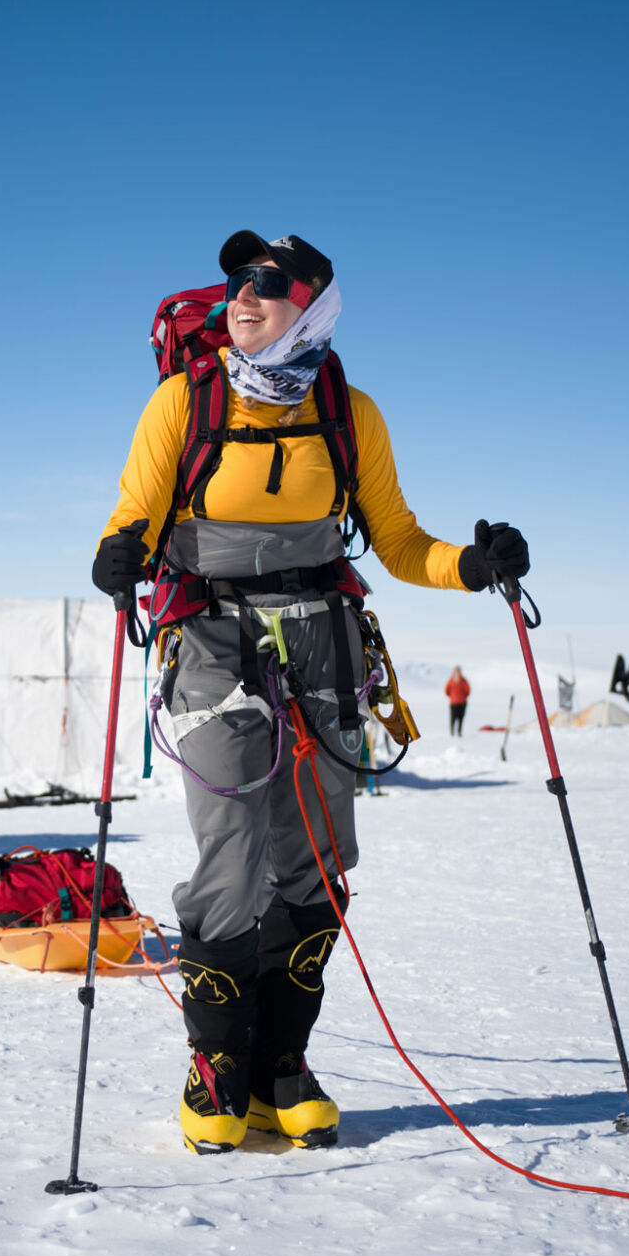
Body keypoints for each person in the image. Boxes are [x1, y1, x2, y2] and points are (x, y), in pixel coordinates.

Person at [92, 230, 531, 1155]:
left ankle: (281, 1067)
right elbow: (130, 515)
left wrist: (476, 564)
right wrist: (118, 553)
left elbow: (401, 543)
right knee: (233, 847)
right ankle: (216, 1067)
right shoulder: (185, 400)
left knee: (321, 857)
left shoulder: (349, 410)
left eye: (268, 283)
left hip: (323, 639)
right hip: (210, 637)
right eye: (237, 282)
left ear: (315, 304)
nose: (243, 297)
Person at [445, 666, 471, 736]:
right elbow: (446, 690)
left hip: (460, 703)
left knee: (459, 718)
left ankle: (458, 732)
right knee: (454, 718)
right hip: (455, 703)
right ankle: (453, 732)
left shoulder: (463, 681)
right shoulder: (452, 681)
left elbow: (468, 691)